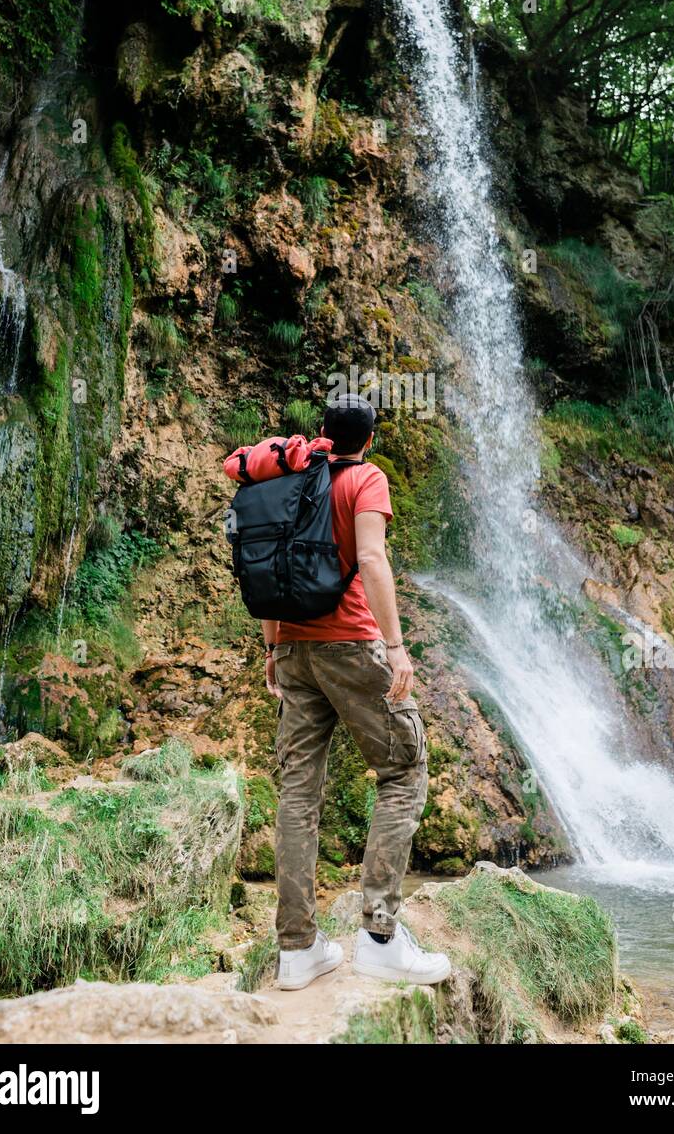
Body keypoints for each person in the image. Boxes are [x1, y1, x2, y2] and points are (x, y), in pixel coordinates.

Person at [261, 393, 451, 991]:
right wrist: (396, 647)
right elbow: (371, 557)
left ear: (320, 432)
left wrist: (273, 646)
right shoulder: (366, 479)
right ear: (368, 440)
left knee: (297, 793)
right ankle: (379, 937)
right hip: (349, 644)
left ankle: (296, 950)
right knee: (404, 772)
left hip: (292, 647)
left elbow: (265, 566)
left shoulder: (293, 477)